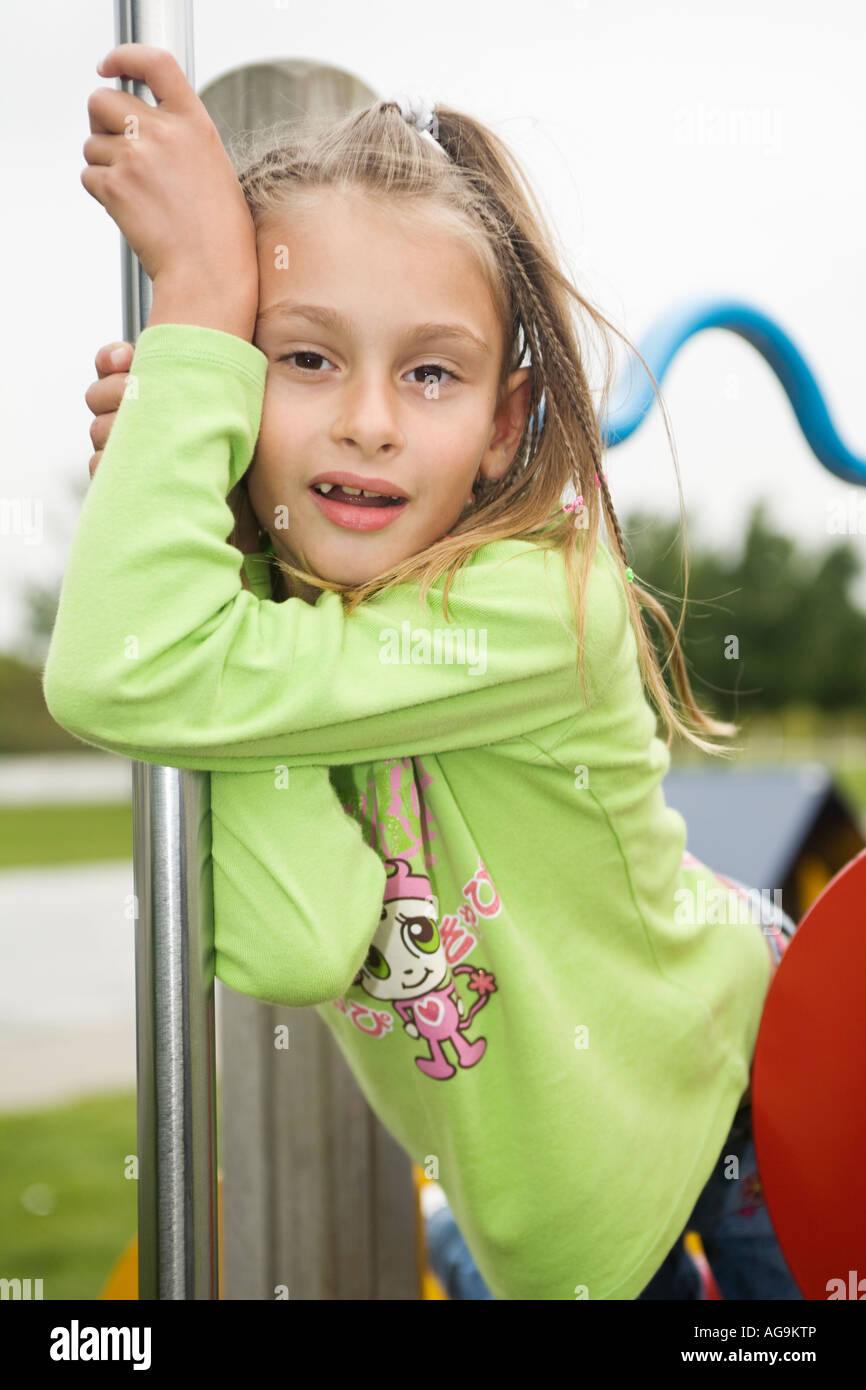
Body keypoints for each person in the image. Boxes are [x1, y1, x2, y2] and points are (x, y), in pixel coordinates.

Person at [47, 43, 802, 1300]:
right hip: (564, 1233)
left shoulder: (535, 602)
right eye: (302, 357)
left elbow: (121, 670)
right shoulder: (282, 637)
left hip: (742, 1083)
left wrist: (191, 314)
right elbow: (302, 934)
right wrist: (204, 488)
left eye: (431, 370)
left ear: (503, 423)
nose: (369, 421)